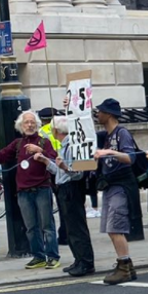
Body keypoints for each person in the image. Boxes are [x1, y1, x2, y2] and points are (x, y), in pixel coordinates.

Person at [0, 110, 58, 270]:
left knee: (47, 225)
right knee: (31, 227)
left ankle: (52, 256)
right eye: (26, 122)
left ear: (37, 125)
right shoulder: (18, 144)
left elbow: (54, 160)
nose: (30, 125)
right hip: (23, 191)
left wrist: (41, 152)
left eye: (32, 122)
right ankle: (38, 256)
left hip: (42, 188)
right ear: (21, 125)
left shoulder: (43, 142)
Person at [92, 98, 142, 284]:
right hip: (110, 185)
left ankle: (124, 268)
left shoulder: (122, 134)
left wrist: (108, 153)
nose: (98, 114)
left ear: (110, 114)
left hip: (122, 185)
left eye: (101, 111)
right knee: (110, 228)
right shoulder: (105, 136)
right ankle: (126, 266)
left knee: (115, 227)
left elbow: (130, 158)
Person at [44, 118, 96, 277]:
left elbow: (77, 173)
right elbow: (58, 172)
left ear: (55, 131)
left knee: (76, 227)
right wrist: (46, 161)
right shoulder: (64, 146)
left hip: (71, 190)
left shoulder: (72, 147)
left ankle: (86, 262)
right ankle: (79, 259)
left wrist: (64, 167)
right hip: (63, 189)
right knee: (70, 227)